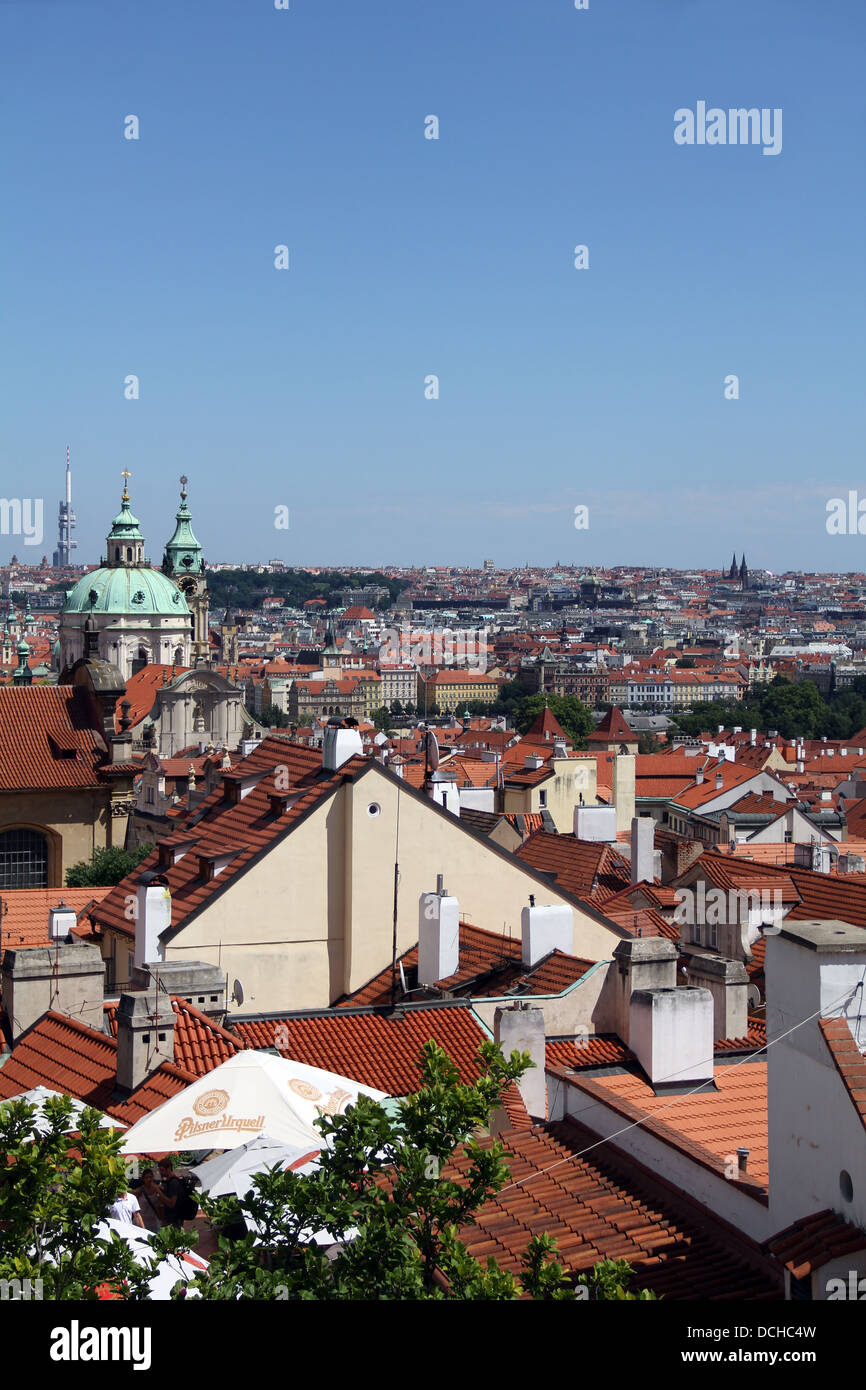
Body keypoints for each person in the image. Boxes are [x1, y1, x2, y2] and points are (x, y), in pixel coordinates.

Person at [157, 1157, 187, 1228]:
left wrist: (158, 1191)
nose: (160, 1173)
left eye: (162, 1170)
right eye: (160, 1170)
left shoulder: (174, 1183)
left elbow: (171, 1203)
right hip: (169, 1218)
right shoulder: (167, 1182)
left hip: (174, 1220)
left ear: (169, 1168)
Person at [136, 1168, 163, 1234]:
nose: (149, 1179)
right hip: (142, 1222)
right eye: (146, 1177)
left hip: (154, 1222)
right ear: (143, 1179)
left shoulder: (157, 1189)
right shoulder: (140, 1191)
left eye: (150, 1177)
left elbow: (161, 1203)